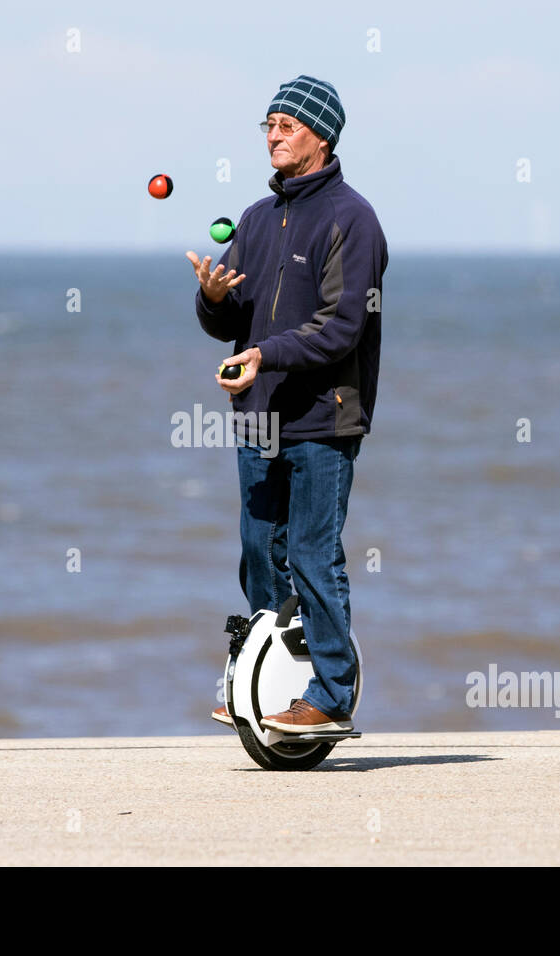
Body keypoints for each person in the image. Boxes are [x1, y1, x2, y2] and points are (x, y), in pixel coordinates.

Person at [185, 74, 388, 734]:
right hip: (259, 417)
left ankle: (331, 693)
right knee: (257, 551)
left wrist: (264, 356)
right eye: (267, 124)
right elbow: (233, 321)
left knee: (311, 553)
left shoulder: (351, 219)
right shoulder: (254, 218)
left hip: (323, 416)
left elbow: (341, 328)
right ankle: (263, 677)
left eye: (287, 125)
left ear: (321, 137)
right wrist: (214, 300)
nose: (273, 135)